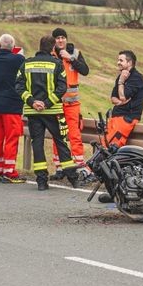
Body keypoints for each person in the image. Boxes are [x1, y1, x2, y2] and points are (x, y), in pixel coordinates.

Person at [16, 35, 82, 191]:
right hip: (54, 112)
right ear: (53, 48)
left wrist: (33, 102)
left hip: (33, 113)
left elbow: (19, 87)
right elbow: (62, 88)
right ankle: (73, 178)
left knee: (37, 144)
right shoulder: (57, 64)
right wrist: (46, 103)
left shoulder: (26, 64)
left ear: (39, 46)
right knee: (61, 142)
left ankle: (41, 181)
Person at [48, 27, 90, 179]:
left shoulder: (75, 53)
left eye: (62, 37)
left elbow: (85, 70)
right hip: (56, 103)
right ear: (54, 41)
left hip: (72, 104)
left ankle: (79, 167)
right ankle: (60, 168)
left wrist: (70, 58)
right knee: (57, 136)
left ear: (66, 39)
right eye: (57, 38)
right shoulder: (50, 54)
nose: (60, 40)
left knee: (74, 135)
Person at [0, 34, 26, 183]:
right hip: (12, 107)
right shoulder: (18, 60)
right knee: (11, 138)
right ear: (14, 48)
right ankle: (9, 172)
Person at [105, 50, 143, 148]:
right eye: (118, 60)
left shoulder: (137, 78)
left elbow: (123, 96)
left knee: (111, 148)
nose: (118, 62)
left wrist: (121, 83)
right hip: (115, 118)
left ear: (129, 63)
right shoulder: (121, 76)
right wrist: (120, 102)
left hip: (127, 119)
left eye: (121, 60)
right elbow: (113, 98)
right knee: (104, 146)